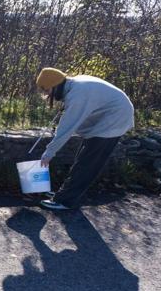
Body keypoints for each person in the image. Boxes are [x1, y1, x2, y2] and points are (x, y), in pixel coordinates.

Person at [35, 68, 134, 210]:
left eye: (47, 91)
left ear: (55, 85)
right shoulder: (73, 86)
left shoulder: (78, 95)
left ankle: (64, 201)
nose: (47, 94)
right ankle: (65, 193)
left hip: (115, 120)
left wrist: (49, 153)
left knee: (87, 165)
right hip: (109, 117)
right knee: (83, 160)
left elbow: (66, 128)